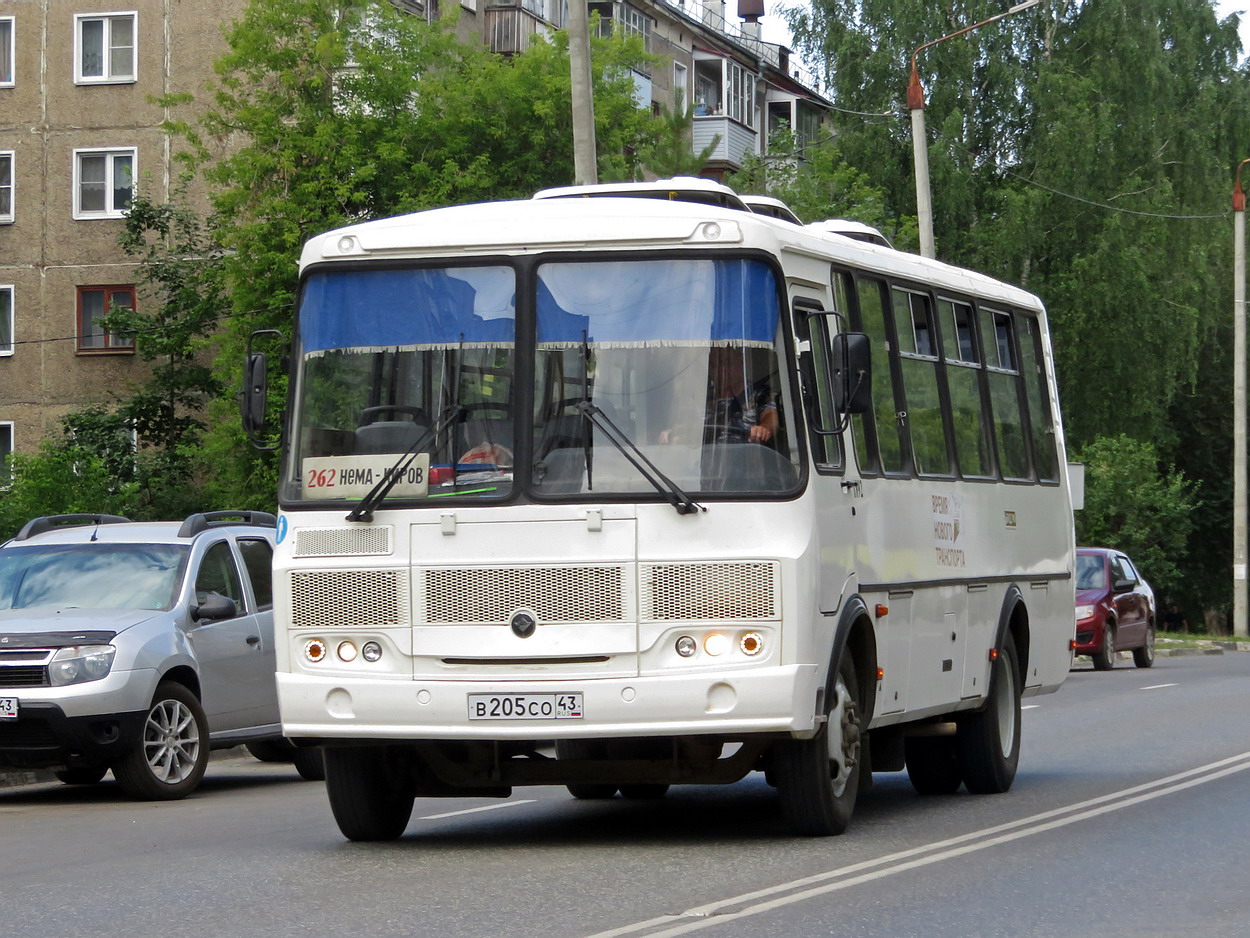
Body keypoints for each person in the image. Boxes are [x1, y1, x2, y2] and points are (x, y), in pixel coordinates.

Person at [660, 346, 778, 445]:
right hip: (708, 466)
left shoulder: (760, 393)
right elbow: (686, 427)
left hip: (748, 466)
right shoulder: (701, 398)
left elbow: (771, 416)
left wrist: (762, 429)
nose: (720, 370)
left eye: (726, 362)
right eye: (713, 365)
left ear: (741, 362)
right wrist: (672, 433)